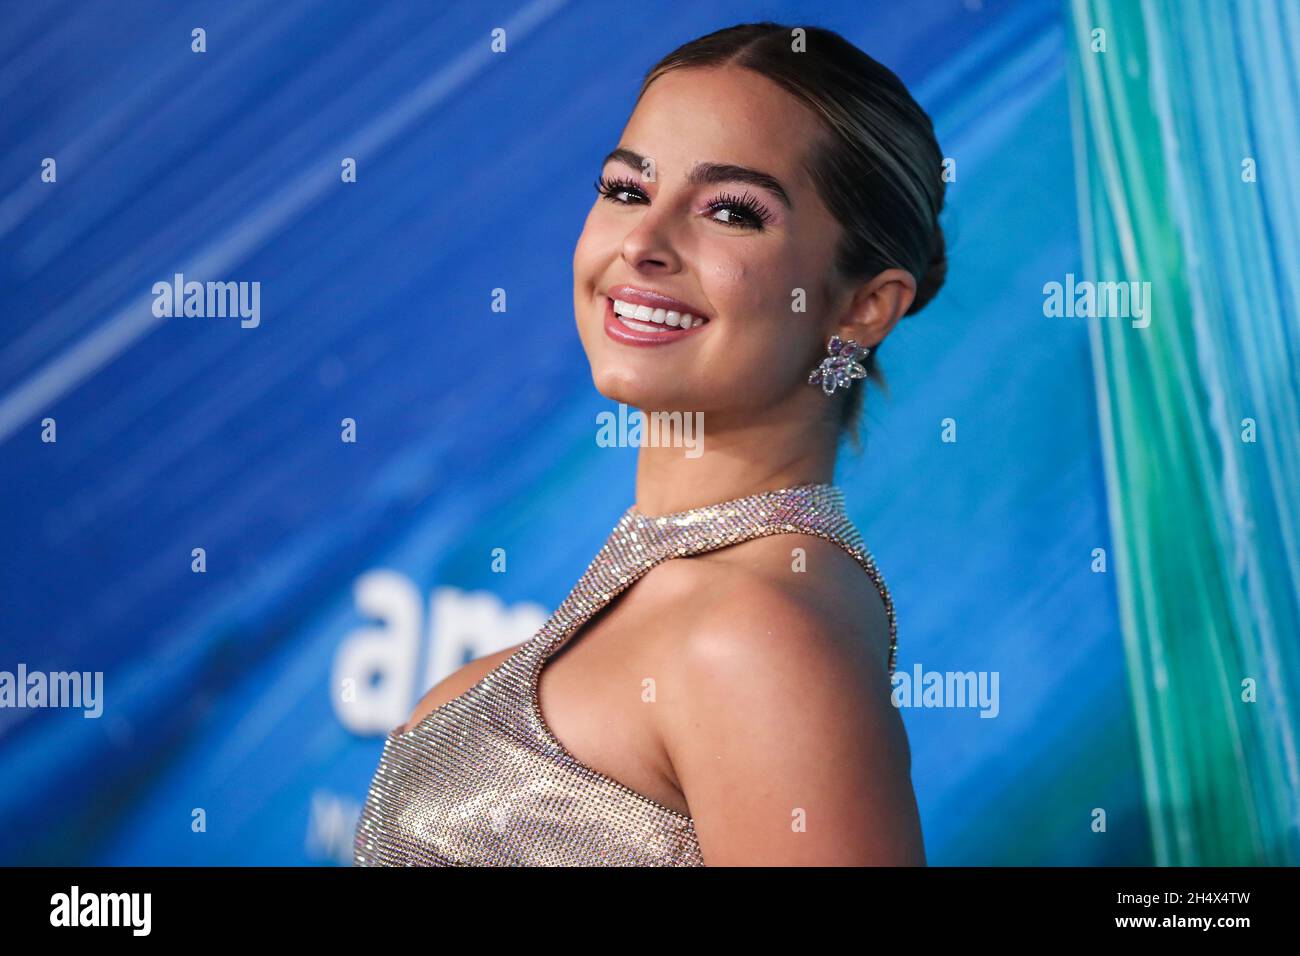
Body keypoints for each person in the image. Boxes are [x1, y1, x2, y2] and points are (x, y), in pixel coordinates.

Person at [355, 20, 946, 867]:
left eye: (733, 211)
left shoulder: (754, 639)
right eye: (627, 189)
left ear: (863, 308)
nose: (641, 241)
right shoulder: (674, 618)